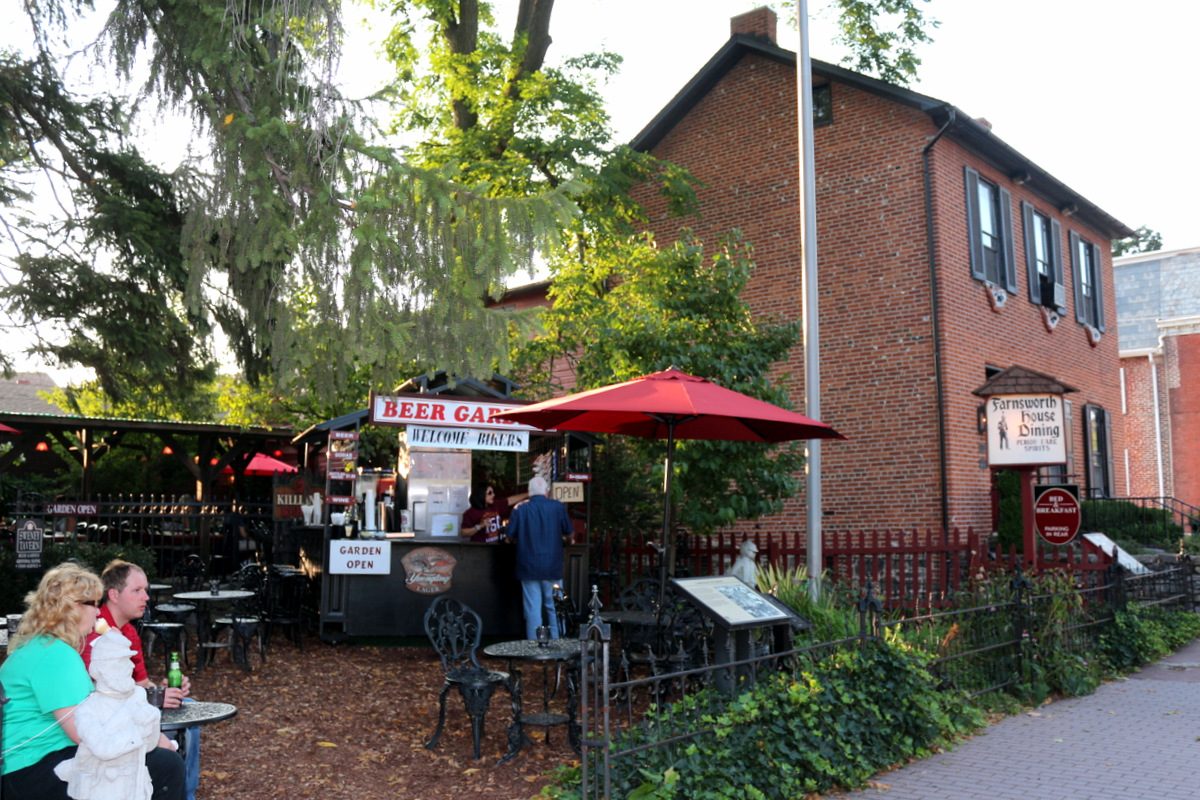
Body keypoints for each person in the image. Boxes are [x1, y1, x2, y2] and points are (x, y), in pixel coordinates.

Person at [0, 562, 184, 800]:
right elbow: (87, 734)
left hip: (24, 768)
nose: (98, 612)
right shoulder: (55, 654)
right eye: (93, 604)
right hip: (32, 772)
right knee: (167, 766)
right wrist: (153, 740)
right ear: (71, 607)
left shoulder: (37, 646)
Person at [82, 560, 200, 800]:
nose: (146, 597)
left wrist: (165, 690)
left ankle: (186, 792)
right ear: (114, 595)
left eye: (146, 590)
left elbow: (142, 685)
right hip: (104, 723)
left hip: (131, 708)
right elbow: (101, 694)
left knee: (191, 710)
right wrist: (156, 697)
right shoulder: (94, 631)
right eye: (137, 591)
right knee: (186, 725)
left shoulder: (129, 632)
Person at [505, 475, 571, 640]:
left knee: (533, 608)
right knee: (554, 606)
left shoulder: (520, 509)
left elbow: (509, 536)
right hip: (553, 565)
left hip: (528, 565)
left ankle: (535, 646)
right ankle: (559, 641)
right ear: (546, 491)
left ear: (529, 492)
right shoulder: (558, 507)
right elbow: (569, 533)